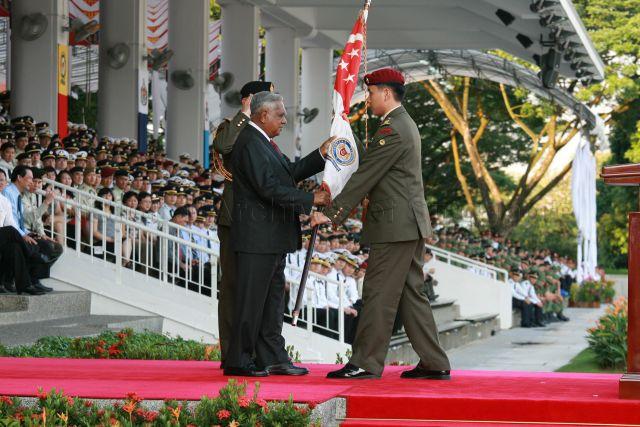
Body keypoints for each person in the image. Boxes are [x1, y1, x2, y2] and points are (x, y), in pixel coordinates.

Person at [312, 68, 451, 380]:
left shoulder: (393, 129)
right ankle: (434, 361)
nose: (369, 98)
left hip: (395, 225)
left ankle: (365, 362)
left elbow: (366, 175)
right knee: (410, 293)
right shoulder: (400, 124)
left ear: (386, 93)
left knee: (377, 293)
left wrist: (332, 213)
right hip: (404, 223)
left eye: (371, 92)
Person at [224, 91, 332, 377]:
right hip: (256, 238)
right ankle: (239, 360)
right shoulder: (249, 142)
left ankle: (272, 357)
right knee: (251, 302)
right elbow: (267, 188)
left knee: (272, 303)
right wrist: (311, 201)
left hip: (270, 238)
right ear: (263, 115)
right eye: (280, 115)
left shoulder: (264, 142)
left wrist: (320, 155)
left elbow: (290, 173)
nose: (285, 120)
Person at [212, 80, 273, 366]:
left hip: (261, 221)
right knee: (234, 288)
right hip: (235, 217)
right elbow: (222, 146)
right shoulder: (233, 126)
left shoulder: (264, 133)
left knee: (258, 291)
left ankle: (256, 352)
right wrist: (244, 114)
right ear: (250, 101)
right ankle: (232, 353)